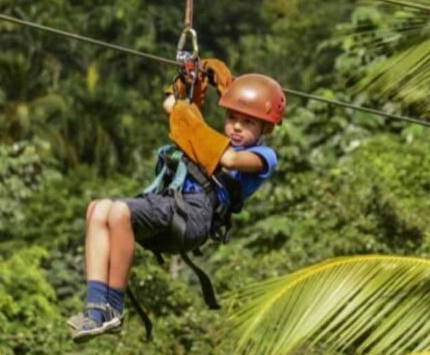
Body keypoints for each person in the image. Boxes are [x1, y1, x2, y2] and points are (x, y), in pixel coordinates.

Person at [67, 66, 285, 343]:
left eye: (248, 122)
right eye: (232, 117)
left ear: (266, 128)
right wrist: (189, 81)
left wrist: (190, 118)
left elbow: (228, 160)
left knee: (120, 211)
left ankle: (114, 307)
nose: (237, 127)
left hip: (194, 216)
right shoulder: (207, 139)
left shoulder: (263, 156)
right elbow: (171, 106)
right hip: (169, 203)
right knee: (97, 209)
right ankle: (96, 307)